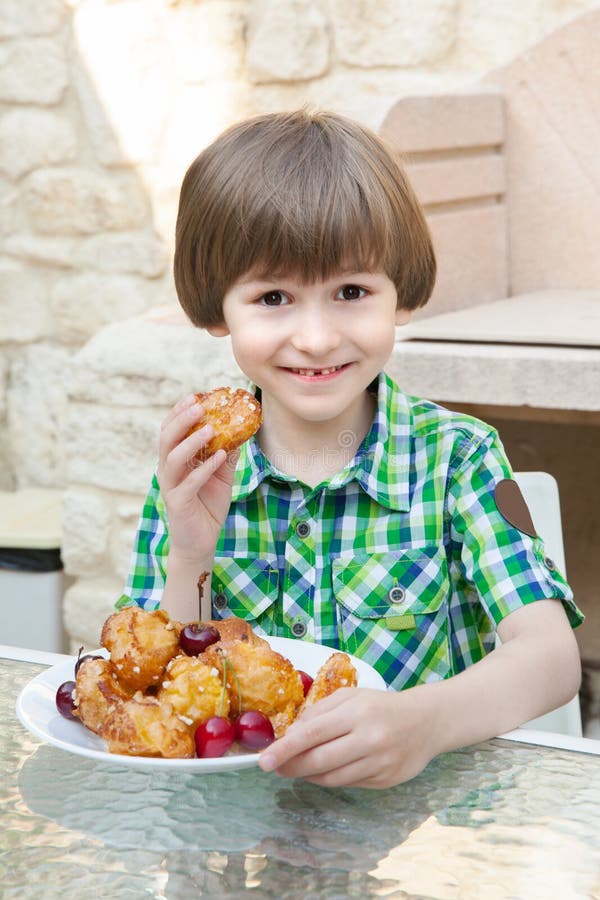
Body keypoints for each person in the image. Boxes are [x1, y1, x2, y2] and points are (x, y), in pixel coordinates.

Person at [122, 108, 583, 788]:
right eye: (274, 296)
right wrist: (191, 551)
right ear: (218, 307)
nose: (314, 337)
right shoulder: (195, 470)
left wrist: (422, 723)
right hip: (249, 840)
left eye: (351, 292)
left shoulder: (460, 458)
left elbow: (551, 658)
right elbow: (151, 686)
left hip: (428, 840)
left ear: (401, 295)